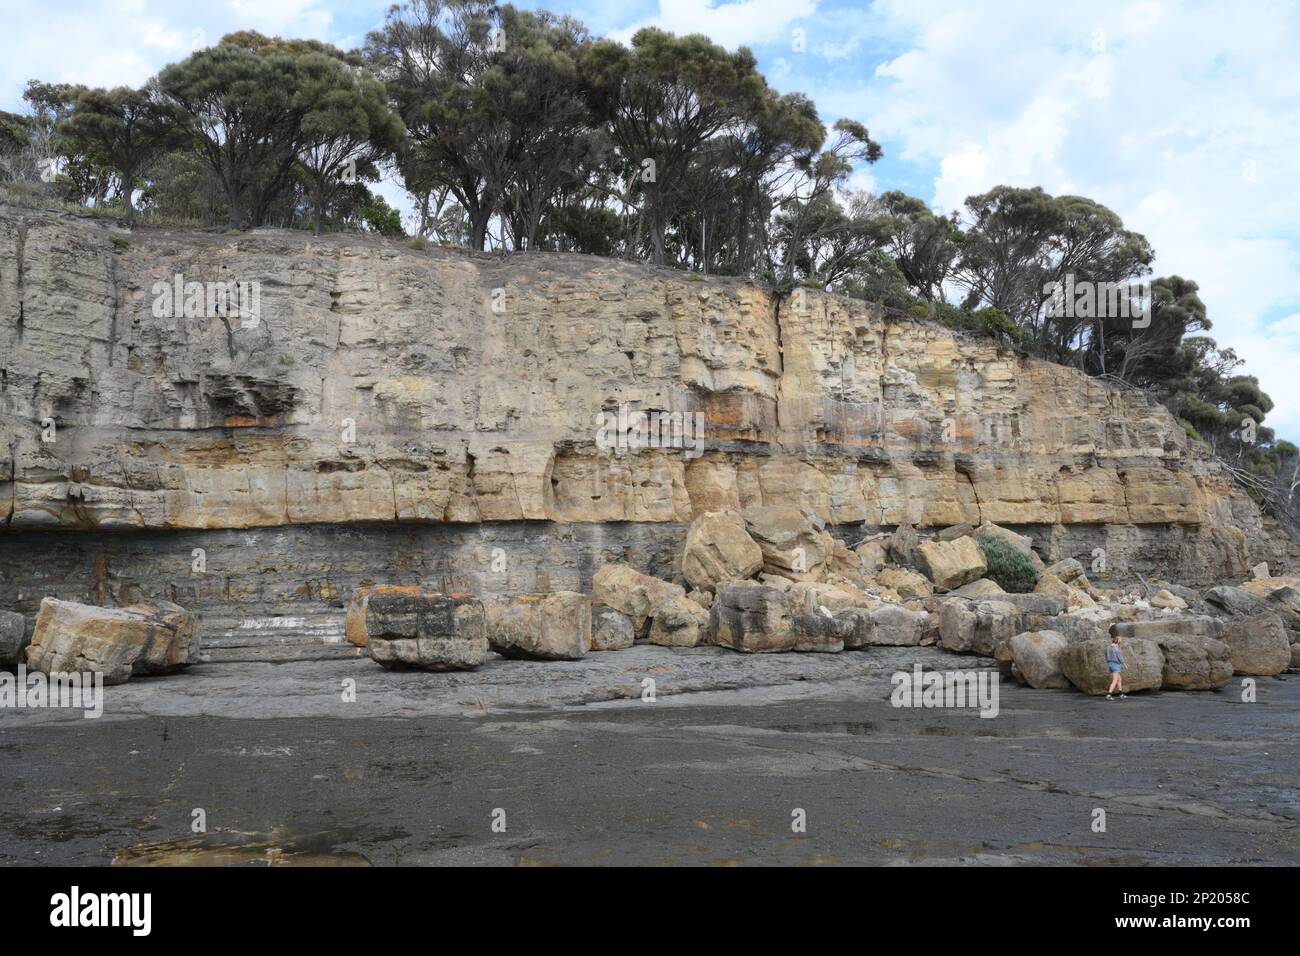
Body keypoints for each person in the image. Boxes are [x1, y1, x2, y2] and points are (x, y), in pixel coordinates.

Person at [1105, 632, 1126, 700]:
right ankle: (1109, 694)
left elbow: (1106, 656)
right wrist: (1124, 664)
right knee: (1115, 680)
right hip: (1115, 665)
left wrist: (1109, 663)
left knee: (1119, 679)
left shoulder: (1108, 647)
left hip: (1111, 664)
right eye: (1120, 641)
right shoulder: (1116, 648)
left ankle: (1121, 694)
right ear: (1118, 641)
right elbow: (1119, 657)